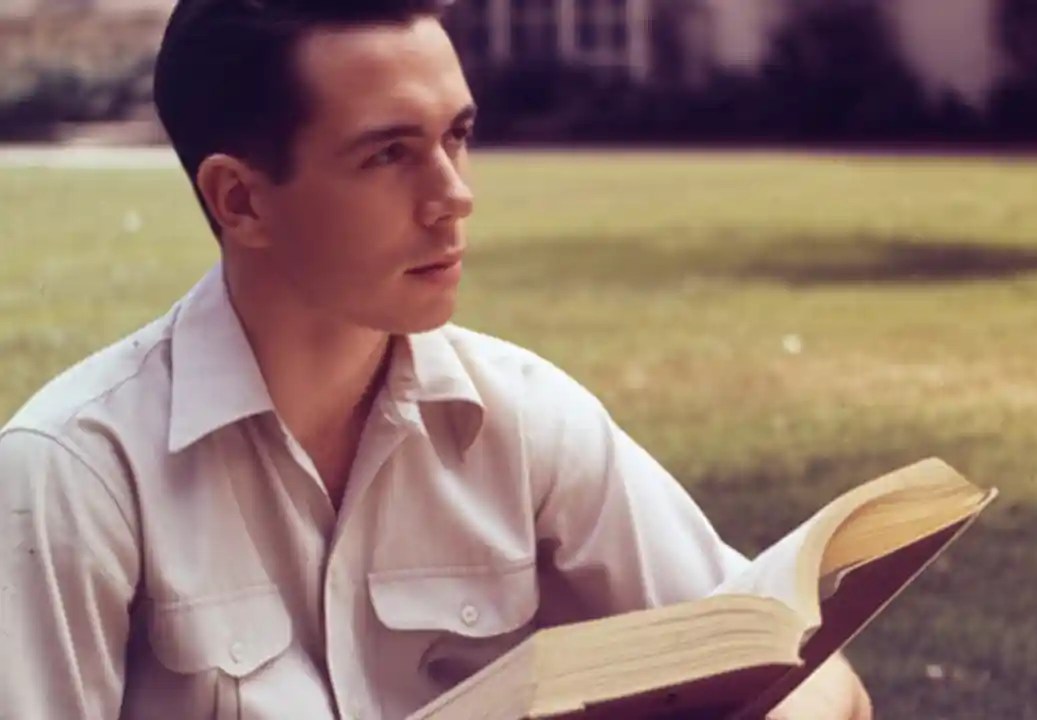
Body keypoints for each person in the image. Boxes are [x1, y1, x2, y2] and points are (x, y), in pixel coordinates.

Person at [0, 1, 872, 718]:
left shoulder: (524, 420)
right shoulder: (74, 476)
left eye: (456, 137)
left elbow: (815, 681)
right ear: (241, 201)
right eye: (389, 154)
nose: (455, 196)